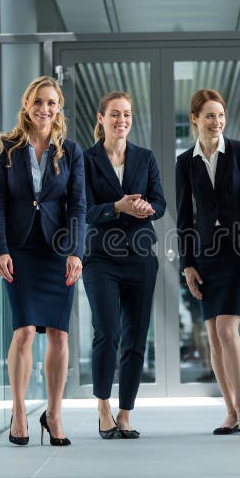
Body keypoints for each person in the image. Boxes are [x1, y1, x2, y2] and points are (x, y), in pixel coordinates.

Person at [0, 76, 85, 446]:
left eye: (52, 102)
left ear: (59, 108)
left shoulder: (71, 151)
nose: (45, 108)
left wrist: (76, 250)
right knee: (24, 331)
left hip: (57, 251)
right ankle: (17, 409)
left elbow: (78, 205)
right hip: (20, 251)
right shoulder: (6, 148)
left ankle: (54, 413)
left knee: (59, 333)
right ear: (27, 105)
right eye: (38, 101)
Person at [176, 89, 240, 435]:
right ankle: (229, 412)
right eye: (210, 116)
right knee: (213, 337)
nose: (217, 122)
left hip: (239, 254)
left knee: (228, 331)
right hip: (206, 256)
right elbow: (184, 217)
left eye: (221, 116)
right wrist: (187, 264)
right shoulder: (185, 162)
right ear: (195, 119)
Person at [83, 91, 166, 439]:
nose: (122, 121)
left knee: (136, 338)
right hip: (101, 258)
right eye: (115, 114)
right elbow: (83, 211)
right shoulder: (85, 160)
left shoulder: (145, 158)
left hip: (140, 258)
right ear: (101, 118)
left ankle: (125, 412)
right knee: (108, 332)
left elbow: (160, 203)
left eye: (127, 114)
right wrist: (116, 207)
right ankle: (103, 407)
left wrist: (147, 208)